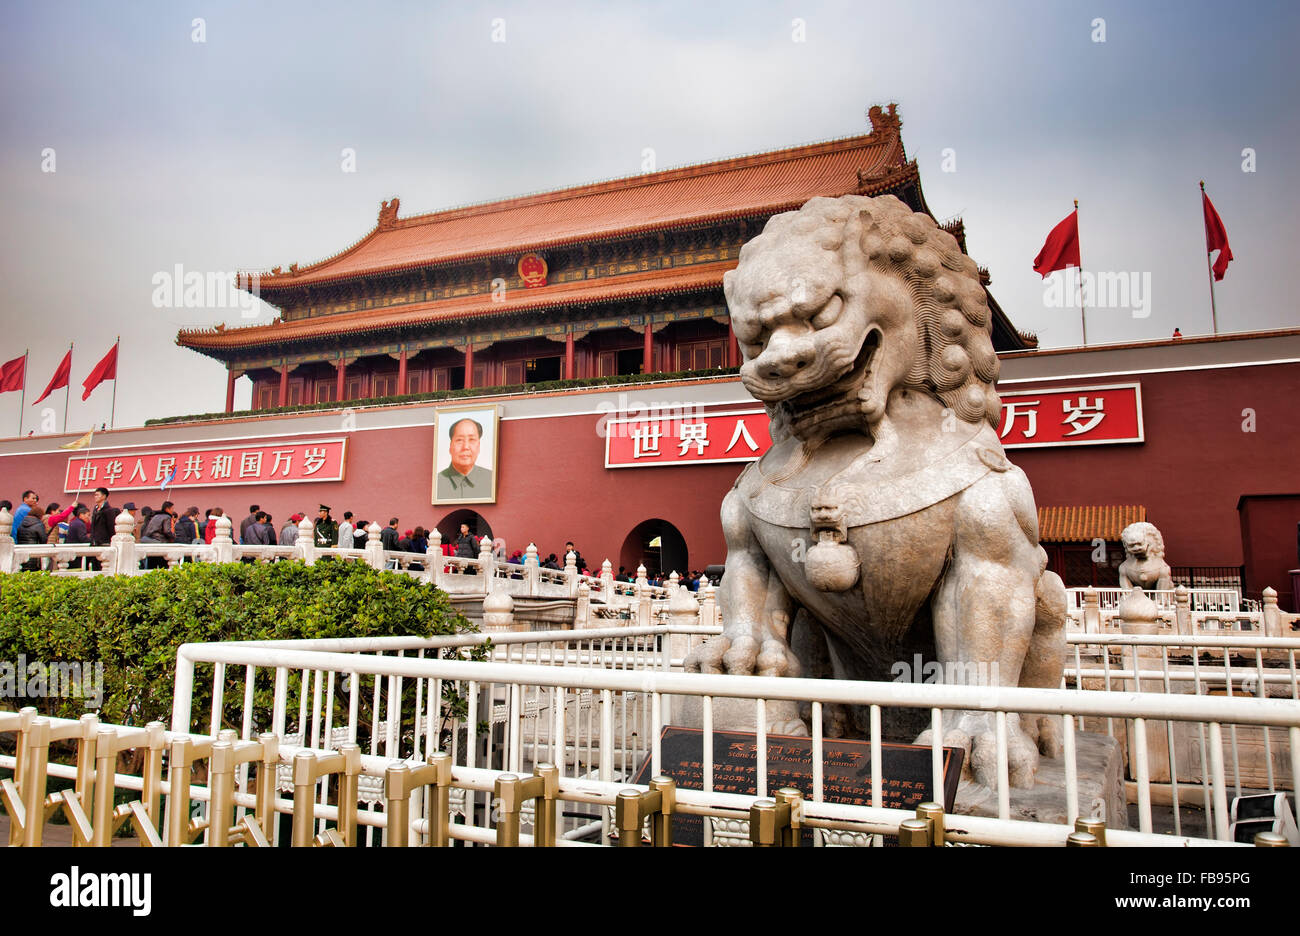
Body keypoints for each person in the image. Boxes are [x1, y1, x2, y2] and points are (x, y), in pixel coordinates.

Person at [436, 417, 493, 500]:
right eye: (459, 440)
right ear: (450, 446)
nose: (465, 447)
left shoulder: (491, 480)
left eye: (472, 440)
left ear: (479, 446)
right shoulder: (436, 483)